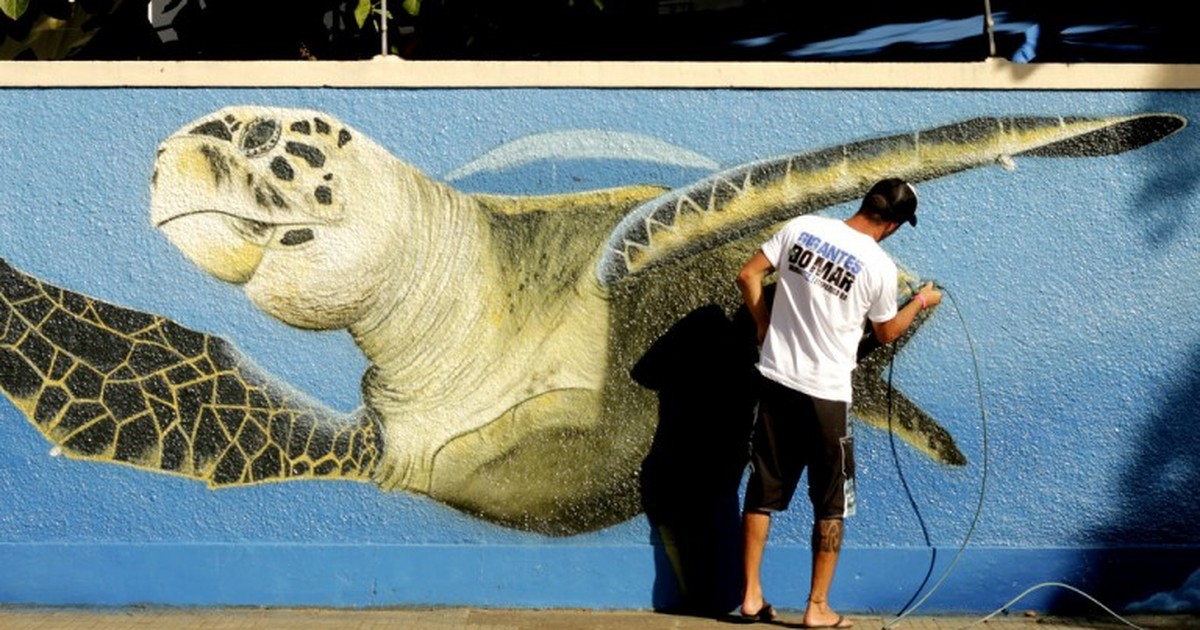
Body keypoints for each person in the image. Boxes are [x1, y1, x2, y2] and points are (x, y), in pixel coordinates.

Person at [734, 178, 942, 628]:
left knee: (762, 492)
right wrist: (921, 301)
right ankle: (818, 607)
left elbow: (748, 274)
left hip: (775, 379)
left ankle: (751, 596)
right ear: (893, 225)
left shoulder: (802, 228)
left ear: (866, 203)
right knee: (831, 504)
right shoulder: (879, 267)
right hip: (826, 396)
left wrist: (762, 323)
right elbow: (885, 333)